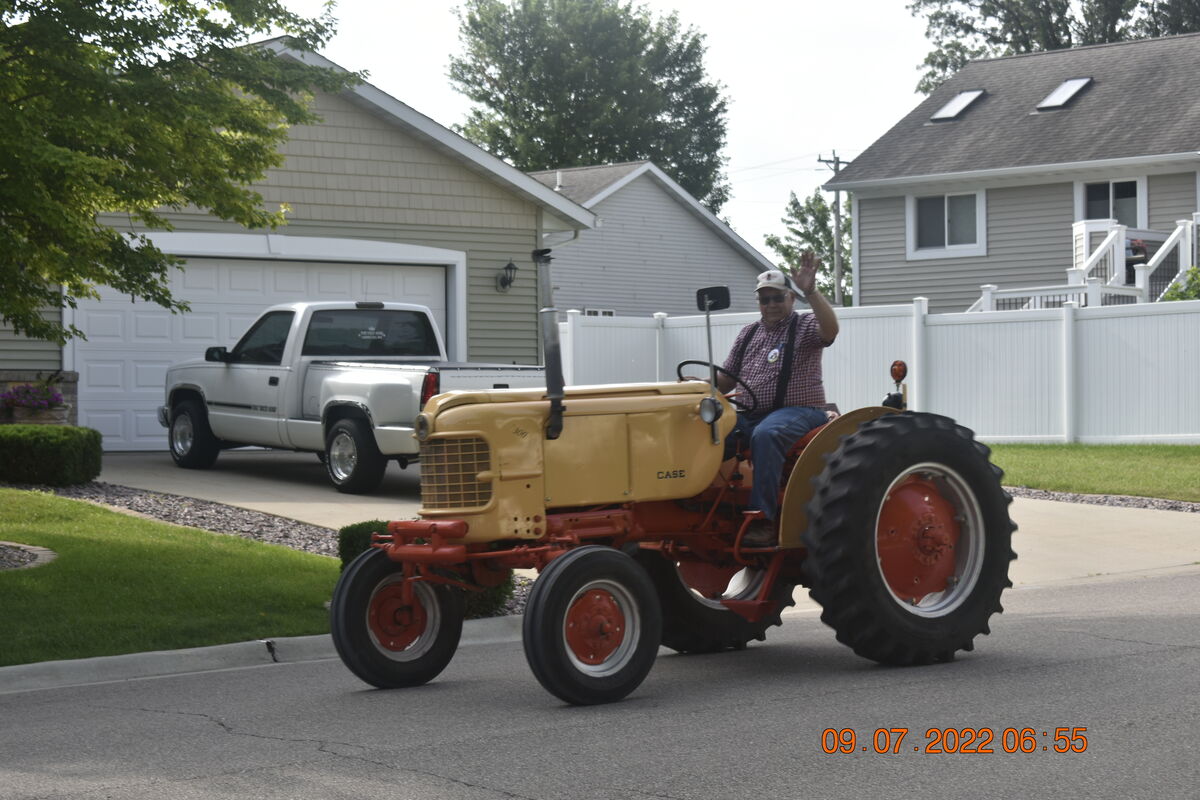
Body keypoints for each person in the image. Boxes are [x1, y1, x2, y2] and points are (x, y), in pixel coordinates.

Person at [718, 251, 839, 546]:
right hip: (750, 413)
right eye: (764, 299)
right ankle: (710, 511)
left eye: (777, 298)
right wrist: (699, 387)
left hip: (801, 410)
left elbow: (831, 330)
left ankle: (763, 520)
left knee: (767, 434)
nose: (770, 304)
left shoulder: (805, 326)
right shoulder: (748, 333)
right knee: (710, 436)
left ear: (791, 299)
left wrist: (811, 290)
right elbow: (726, 379)